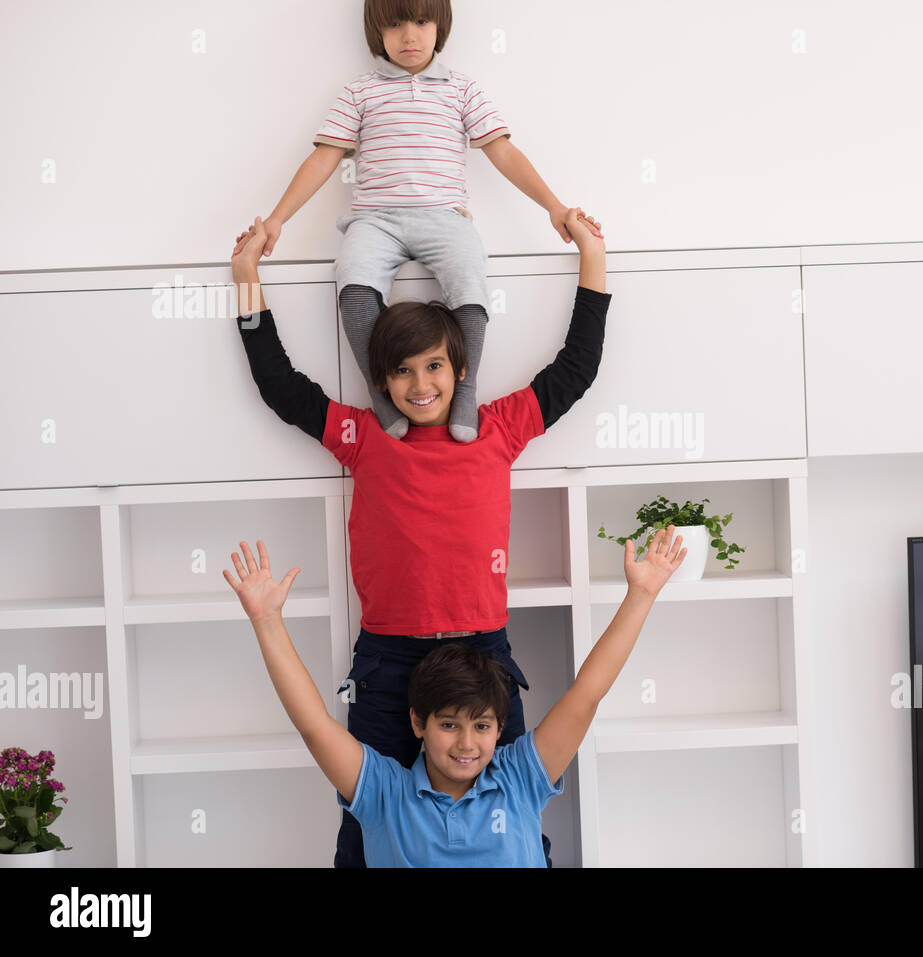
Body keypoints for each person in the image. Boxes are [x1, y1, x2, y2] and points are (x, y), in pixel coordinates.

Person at [229, 207, 608, 867]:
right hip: (389, 663)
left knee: (515, 812)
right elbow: (282, 388)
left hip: (483, 652)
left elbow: (575, 370)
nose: (419, 384)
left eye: (434, 366)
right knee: (362, 822)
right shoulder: (364, 436)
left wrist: (592, 259)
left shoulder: (500, 427)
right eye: (401, 371)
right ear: (382, 381)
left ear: (460, 369)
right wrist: (246, 278)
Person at [232, 0, 598, 441]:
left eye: (422, 21)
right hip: (375, 220)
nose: (410, 35)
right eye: (395, 24)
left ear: (440, 26)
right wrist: (276, 219)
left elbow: (503, 151)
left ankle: (464, 389)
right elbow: (325, 157)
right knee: (352, 281)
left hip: (444, 217)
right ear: (377, 31)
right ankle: (381, 389)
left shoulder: (462, 89)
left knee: (469, 273)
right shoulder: (359, 92)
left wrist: (554, 207)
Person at [222, 527, 686, 866]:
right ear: (418, 723)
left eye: (481, 727)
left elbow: (587, 695)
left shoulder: (519, 779)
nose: (467, 744)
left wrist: (641, 595)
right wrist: (267, 621)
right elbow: (314, 725)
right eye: (449, 725)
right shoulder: (386, 794)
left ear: (499, 729)